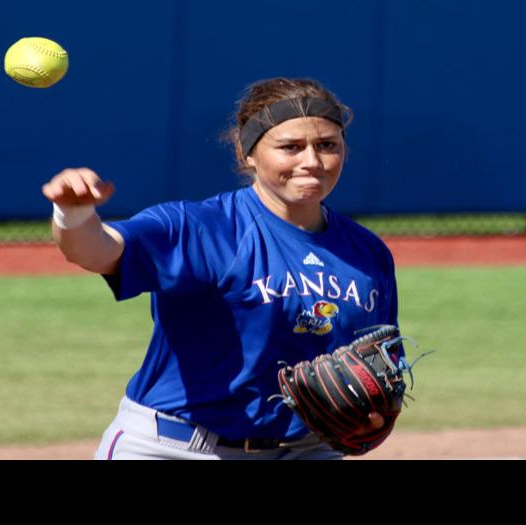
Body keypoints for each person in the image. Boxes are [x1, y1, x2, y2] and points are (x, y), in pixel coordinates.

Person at [41, 77, 399, 460]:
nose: (311, 161)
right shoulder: (198, 227)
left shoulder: (366, 252)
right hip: (174, 447)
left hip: (305, 451)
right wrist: (75, 213)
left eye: (327, 145)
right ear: (249, 153)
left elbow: (376, 358)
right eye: (290, 147)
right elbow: (97, 251)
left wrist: (374, 409)